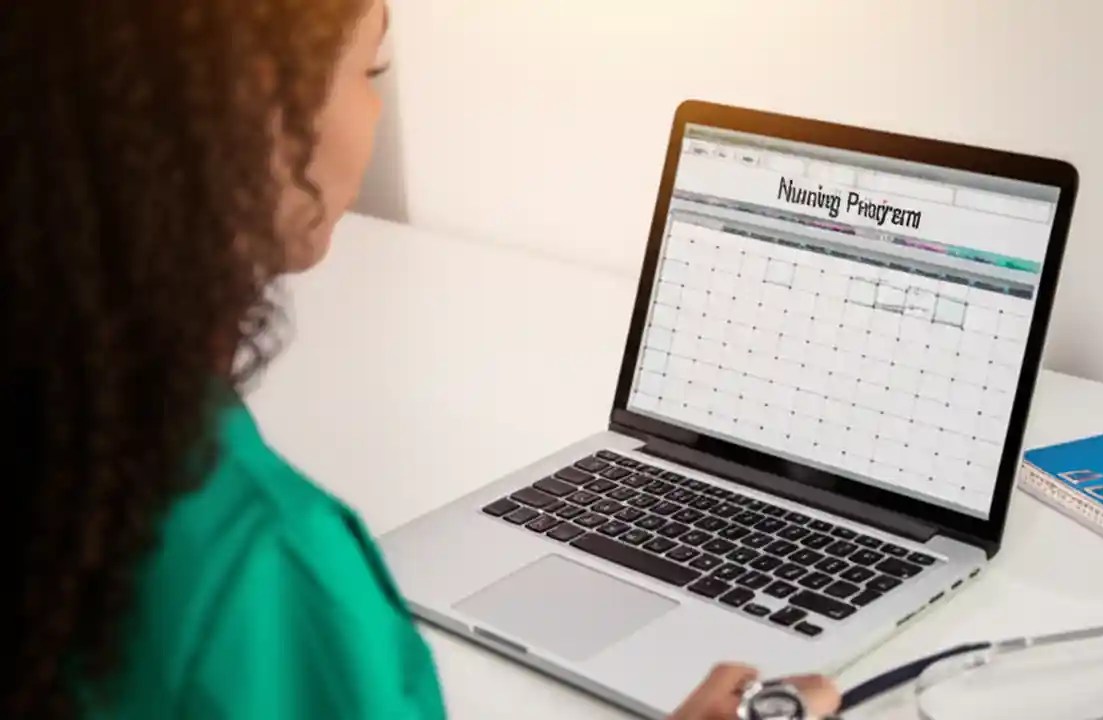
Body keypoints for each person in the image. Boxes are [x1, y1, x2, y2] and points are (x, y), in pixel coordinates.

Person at [1, 1, 840, 718]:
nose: (376, 109)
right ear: (250, 111)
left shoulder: (78, 404)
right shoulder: (268, 568)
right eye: (372, 69)